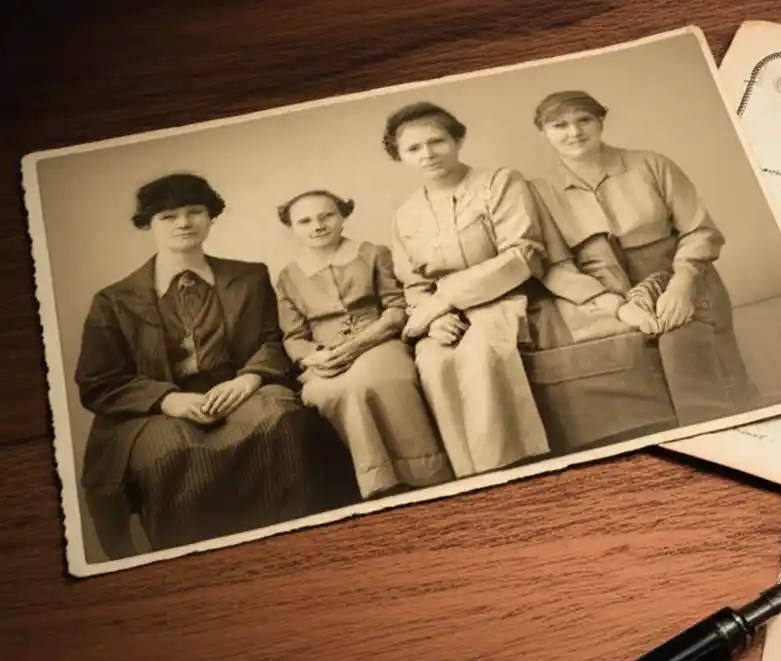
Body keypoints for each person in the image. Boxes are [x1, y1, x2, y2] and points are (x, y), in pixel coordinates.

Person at [74, 173, 351, 560]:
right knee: (170, 453)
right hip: (155, 409)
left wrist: (250, 378)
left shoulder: (249, 276)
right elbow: (99, 381)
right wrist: (169, 400)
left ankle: (305, 550)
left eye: (194, 212)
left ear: (210, 217)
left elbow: (271, 340)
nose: (184, 223)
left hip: (241, 388)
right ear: (148, 224)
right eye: (168, 217)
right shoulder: (114, 300)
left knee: (284, 422)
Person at [528, 90, 756, 425]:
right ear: (543, 132)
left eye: (584, 120)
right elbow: (554, 268)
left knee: (696, 361)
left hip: (682, 279)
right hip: (607, 298)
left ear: (601, 120)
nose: (574, 132)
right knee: (649, 399)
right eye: (559, 125)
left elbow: (700, 231)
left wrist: (682, 286)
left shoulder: (651, 164)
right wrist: (617, 306)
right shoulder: (539, 191)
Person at [383, 101, 552, 477]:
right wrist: (431, 319)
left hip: (503, 295)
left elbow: (522, 255)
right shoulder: (405, 214)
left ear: (457, 140)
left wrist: (445, 299)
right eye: (413, 148)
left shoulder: (500, 181)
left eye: (437, 141)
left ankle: (515, 468)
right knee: (433, 360)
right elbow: (414, 283)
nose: (427, 154)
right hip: (442, 314)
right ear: (400, 156)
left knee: (479, 354)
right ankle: (472, 480)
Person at [274, 189, 454, 499]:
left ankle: (426, 477)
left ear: (343, 216)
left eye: (326, 215)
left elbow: (396, 309)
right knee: (326, 391)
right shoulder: (288, 276)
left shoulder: (373, 253)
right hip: (325, 354)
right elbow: (293, 337)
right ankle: (379, 484)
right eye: (304, 221)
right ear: (291, 228)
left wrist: (357, 345)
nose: (317, 225)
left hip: (378, 339)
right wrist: (314, 358)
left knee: (376, 379)